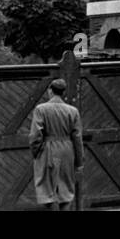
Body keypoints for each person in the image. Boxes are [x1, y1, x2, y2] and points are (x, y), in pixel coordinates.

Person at [29, 78, 84, 211]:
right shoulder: (73, 111)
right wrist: (79, 161)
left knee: (49, 189)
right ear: (63, 92)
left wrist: (37, 153)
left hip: (49, 150)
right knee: (65, 190)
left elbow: (35, 136)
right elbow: (77, 138)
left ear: (50, 91)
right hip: (67, 151)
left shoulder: (41, 109)